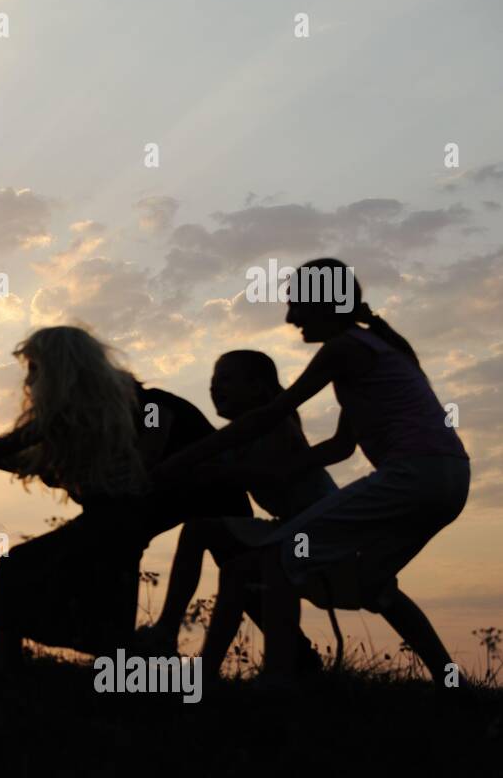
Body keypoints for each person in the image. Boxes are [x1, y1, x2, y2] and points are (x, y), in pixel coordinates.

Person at [153, 259, 470, 686]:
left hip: (415, 475)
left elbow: (270, 414)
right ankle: (454, 684)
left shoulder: (343, 348)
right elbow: (341, 446)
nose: (289, 317)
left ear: (324, 303)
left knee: (278, 562)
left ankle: (279, 684)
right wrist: (282, 470)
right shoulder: (375, 351)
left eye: (296, 304)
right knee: (375, 585)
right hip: (450, 479)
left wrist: (181, 462)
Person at [0, 325, 252, 665]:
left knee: (251, 585)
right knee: (248, 585)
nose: (30, 382)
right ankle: (107, 667)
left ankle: (14, 673)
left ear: (62, 372)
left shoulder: (151, 407)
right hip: (129, 520)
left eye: (36, 369)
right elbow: (25, 455)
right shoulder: (84, 420)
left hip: (179, 506)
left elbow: (136, 476)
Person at [136, 350, 336, 671]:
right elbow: (210, 463)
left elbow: (266, 473)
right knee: (231, 567)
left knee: (215, 547)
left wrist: (194, 470)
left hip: (319, 527)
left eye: (226, 379)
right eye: (213, 381)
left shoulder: (277, 424)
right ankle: (193, 657)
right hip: (287, 526)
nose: (215, 387)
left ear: (258, 388)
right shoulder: (239, 434)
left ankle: (173, 636)